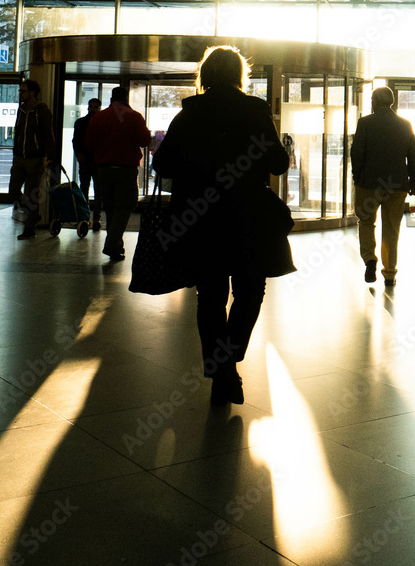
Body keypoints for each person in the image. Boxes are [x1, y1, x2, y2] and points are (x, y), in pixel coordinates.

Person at [152, 46, 290, 406]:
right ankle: (228, 360)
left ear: (206, 75)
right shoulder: (256, 111)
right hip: (247, 216)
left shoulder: (189, 113)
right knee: (250, 291)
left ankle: (222, 370)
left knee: (210, 297)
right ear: (239, 74)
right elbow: (277, 163)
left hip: (200, 219)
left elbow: (162, 165)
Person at [350, 86, 415, 287]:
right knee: (391, 228)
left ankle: (370, 259)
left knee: (366, 221)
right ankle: (389, 274)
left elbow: (357, 153)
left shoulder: (365, 123)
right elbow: (412, 157)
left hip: (369, 184)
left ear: (375, 101)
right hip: (397, 185)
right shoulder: (405, 124)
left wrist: (358, 177)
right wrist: (414, 182)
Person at [85, 86, 151, 261]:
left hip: (104, 169)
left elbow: (89, 144)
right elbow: (145, 140)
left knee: (111, 207)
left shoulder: (99, 117)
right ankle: (112, 244)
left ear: (111, 99)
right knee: (125, 206)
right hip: (126, 169)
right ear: (126, 99)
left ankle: (117, 246)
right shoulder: (135, 117)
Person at [9, 79, 55, 240]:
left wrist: (49, 157)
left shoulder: (42, 111)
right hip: (19, 158)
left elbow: (49, 135)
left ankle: (30, 228)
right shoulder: (22, 109)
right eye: (20, 91)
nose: (20, 94)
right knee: (13, 190)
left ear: (33, 93)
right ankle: (33, 216)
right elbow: (19, 132)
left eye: (23, 91)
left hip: (36, 159)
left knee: (31, 193)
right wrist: (15, 151)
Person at [72, 98, 103, 231]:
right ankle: (95, 218)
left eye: (95, 107)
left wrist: (79, 153)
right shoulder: (102, 123)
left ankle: (87, 217)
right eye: (91, 107)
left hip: (87, 160)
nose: (92, 109)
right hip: (96, 161)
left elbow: (76, 141)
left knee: (86, 189)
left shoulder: (80, 123)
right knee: (97, 191)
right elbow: (76, 141)